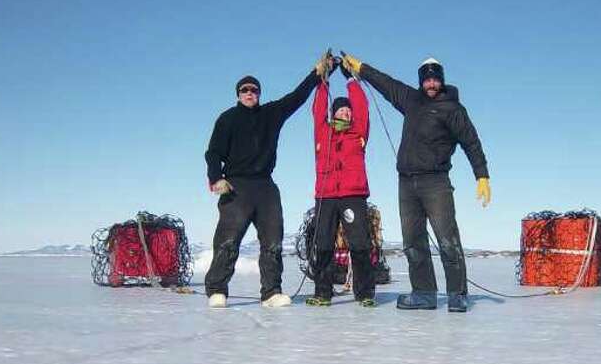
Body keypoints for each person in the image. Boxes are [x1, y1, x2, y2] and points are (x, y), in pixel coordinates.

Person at [339, 53, 490, 312]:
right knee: (412, 241)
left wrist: (482, 176)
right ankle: (424, 292)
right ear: (421, 81)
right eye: (427, 80)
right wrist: (361, 68)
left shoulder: (452, 108)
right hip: (407, 183)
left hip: (436, 182)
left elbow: (471, 143)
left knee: (446, 239)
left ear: (441, 80)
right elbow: (386, 84)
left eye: (435, 80)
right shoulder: (412, 100)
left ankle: (457, 294)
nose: (431, 84)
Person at [203, 53, 331, 307]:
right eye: (245, 90)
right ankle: (217, 289)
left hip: (265, 187)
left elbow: (297, 97)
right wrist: (216, 178)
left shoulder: (271, 114)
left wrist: (318, 73)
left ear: (259, 93)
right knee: (228, 241)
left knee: (273, 241)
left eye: (254, 90)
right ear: (238, 94)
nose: (250, 93)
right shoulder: (227, 118)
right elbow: (213, 152)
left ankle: (271, 292)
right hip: (235, 186)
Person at [306, 63, 376, 308]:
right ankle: (323, 293)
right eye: (341, 110)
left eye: (348, 110)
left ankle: (365, 293)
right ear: (333, 113)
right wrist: (323, 81)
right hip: (326, 196)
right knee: (323, 244)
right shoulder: (322, 132)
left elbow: (363, 109)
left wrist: (351, 80)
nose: (346, 113)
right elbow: (317, 110)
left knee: (359, 244)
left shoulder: (359, 133)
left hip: (353, 195)